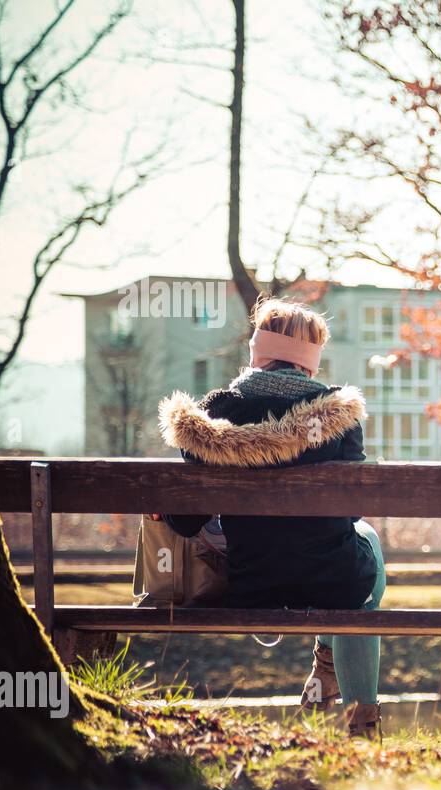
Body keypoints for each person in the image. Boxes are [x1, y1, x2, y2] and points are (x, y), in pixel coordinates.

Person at [158, 298, 385, 737]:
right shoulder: (336, 415)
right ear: (311, 359)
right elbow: (349, 510)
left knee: (350, 554)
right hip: (335, 581)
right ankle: (360, 719)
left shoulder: (215, 412)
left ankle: (327, 662)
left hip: (252, 583)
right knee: (366, 552)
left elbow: (186, 523)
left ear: (256, 351)